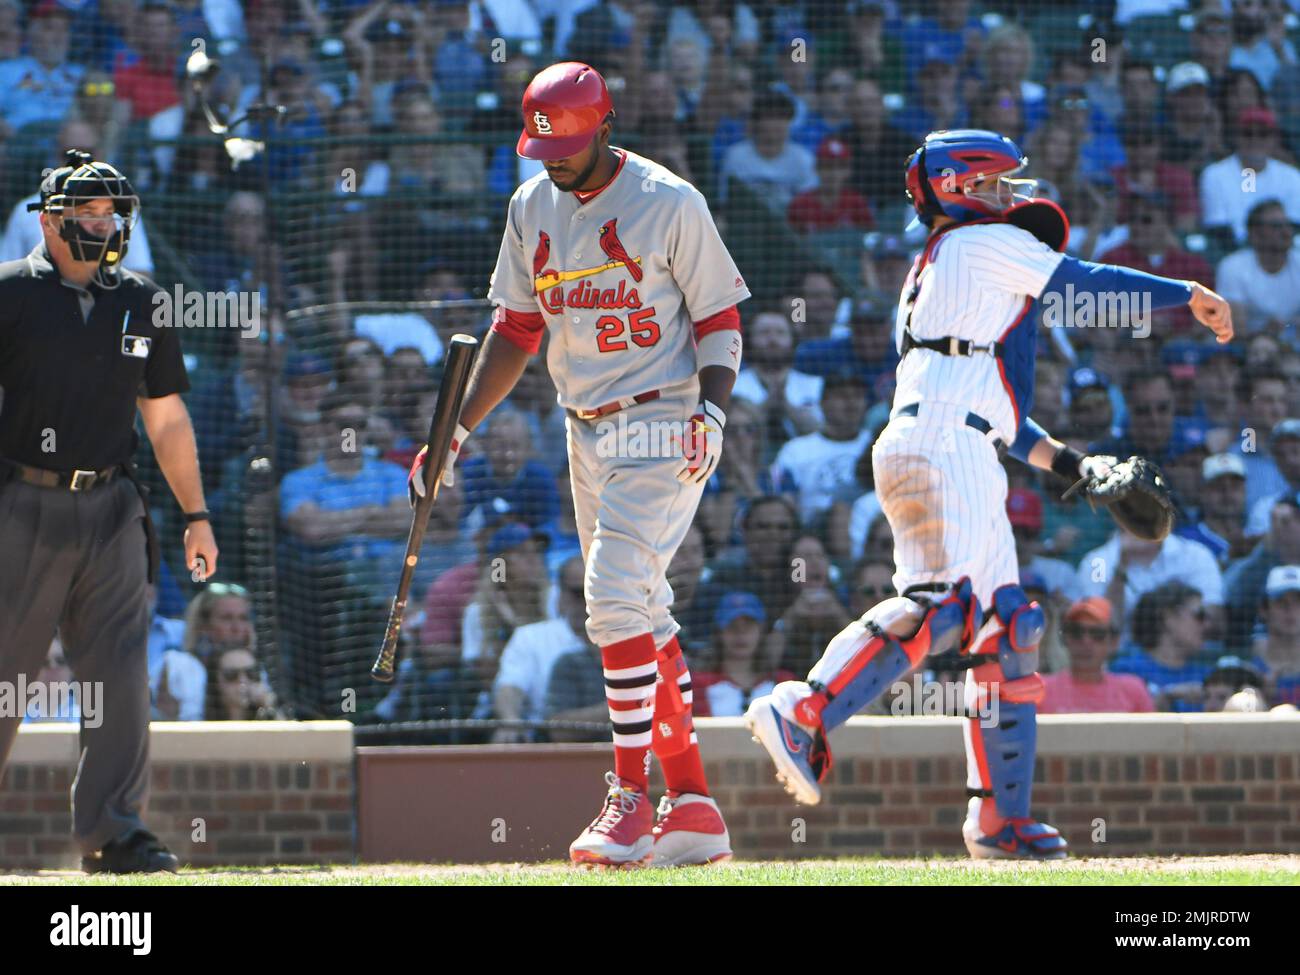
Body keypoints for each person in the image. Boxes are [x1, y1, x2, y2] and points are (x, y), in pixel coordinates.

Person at [744, 128, 1232, 861]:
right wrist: (1184, 293)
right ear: (962, 186)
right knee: (945, 603)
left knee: (1008, 626)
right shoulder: (977, 242)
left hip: (953, 440)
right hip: (946, 447)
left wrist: (1073, 465)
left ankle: (1001, 821)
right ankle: (804, 706)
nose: (1014, 197)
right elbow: (1088, 288)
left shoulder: (955, 273)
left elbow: (997, 414)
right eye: (1002, 185)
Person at [407, 62, 747, 868]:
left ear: (606, 123)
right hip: (583, 427)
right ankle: (693, 804)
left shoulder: (669, 201)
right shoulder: (531, 206)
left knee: (608, 599)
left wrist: (712, 409)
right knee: (641, 611)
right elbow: (517, 330)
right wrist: (453, 429)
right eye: (542, 144)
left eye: (567, 141)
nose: (553, 157)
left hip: (665, 418)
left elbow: (722, 317)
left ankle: (630, 800)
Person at [0, 152, 218, 874]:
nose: (103, 224)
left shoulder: (145, 299)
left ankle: (115, 833)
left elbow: (166, 420)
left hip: (113, 504)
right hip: (20, 501)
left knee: (122, 669)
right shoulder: (9, 294)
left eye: (111, 213)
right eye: (88, 214)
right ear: (49, 220)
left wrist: (197, 514)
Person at [1039, 598, 1154, 714]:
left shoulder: (1133, 692)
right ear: (1065, 638)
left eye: (1097, 634)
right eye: (1076, 632)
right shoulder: (1041, 691)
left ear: (1114, 642)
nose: (1086, 641)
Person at [1116, 581, 1215, 712]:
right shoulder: (1127, 671)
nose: (1207, 625)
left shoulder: (1209, 676)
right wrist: (1166, 697)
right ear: (1169, 617)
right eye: (1200, 616)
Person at [693, 592, 794, 717]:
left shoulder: (783, 683)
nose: (740, 634)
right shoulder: (699, 684)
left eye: (749, 626)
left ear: (761, 631)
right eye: (732, 626)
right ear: (719, 632)